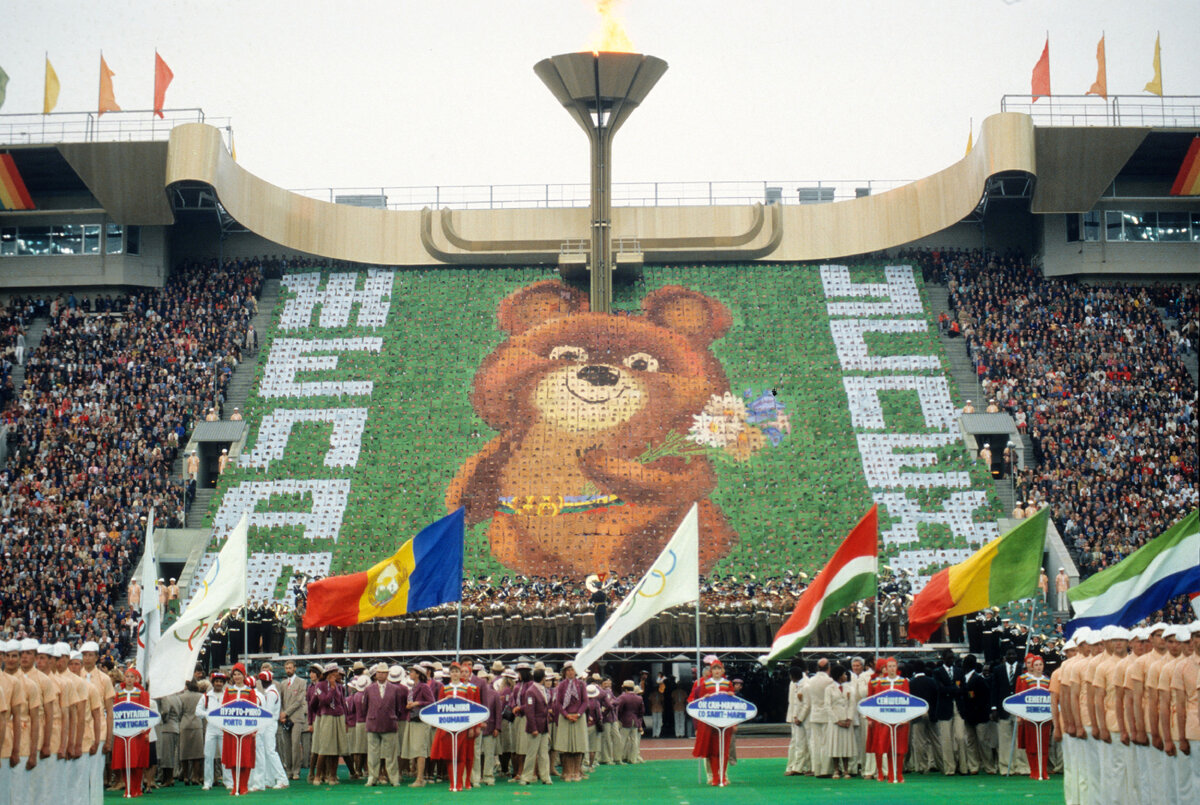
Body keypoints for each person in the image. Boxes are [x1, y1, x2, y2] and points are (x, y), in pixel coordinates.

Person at [689, 658, 736, 786]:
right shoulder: (705, 684)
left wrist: (734, 723)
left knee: (724, 751)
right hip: (709, 723)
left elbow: (734, 705)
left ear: (722, 670)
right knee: (712, 751)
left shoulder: (727, 683)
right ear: (711, 671)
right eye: (714, 668)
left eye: (719, 668)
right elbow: (698, 703)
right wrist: (704, 698)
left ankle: (723, 776)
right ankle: (715, 777)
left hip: (725, 722)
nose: (716, 671)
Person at [866, 657, 909, 782]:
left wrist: (905, 718)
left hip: (900, 720)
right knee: (885, 747)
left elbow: (907, 700)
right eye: (889, 666)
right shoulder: (879, 682)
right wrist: (875, 718)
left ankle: (899, 774)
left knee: (900, 748)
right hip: (884, 720)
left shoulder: (903, 681)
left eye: (893, 666)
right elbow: (876, 702)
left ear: (897, 667)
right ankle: (887, 773)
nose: (891, 669)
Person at [362, 663, 404, 787]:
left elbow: (398, 708)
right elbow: (365, 707)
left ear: (387, 674)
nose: (381, 675)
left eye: (384, 672)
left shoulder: (395, 689)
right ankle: (372, 777)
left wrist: (392, 717)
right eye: (379, 672)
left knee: (391, 754)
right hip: (373, 724)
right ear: (375, 675)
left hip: (389, 724)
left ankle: (393, 778)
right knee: (373, 754)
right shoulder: (369, 689)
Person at [220, 663, 259, 795]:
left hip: (246, 730)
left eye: (239, 674)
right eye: (235, 674)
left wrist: (254, 731)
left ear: (244, 675)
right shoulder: (228, 690)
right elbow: (224, 708)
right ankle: (235, 785)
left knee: (245, 757)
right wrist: (224, 726)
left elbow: (254, 711)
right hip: (231, 730)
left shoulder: (250, 691)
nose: (237, 677)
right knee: (233, 758)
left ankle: (244, 786)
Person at [113, 667, 151, 798]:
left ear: (136, 679)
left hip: (137, 733)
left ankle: (136, 788)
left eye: (132, 676)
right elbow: (115, 713)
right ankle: (127, 788)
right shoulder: (119, 695)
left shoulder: (142, 694)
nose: (129, 679)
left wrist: (146, 731)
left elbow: (146, 713)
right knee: (125, 761)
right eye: (127, 676)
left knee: (137, 761)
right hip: (123, 733)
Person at [1015, 653, 1052, 780]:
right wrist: (1020, 716)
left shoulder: (1047, 680)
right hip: (1030, 717)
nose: (1038, 667)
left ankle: (1043, 770)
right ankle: (1034, 770)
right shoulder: (1025, 680)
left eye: (1040, 664)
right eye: (1036, 664)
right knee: (1032, 744)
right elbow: (1019, 698)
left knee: (1044, 744)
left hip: (1045, 717)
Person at [552, 661, 588, 782]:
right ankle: (567, 771)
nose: (570, 672)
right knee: (566, 747)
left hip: (578, 717)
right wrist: (566, 715)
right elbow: (558, 703)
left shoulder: (581, 684)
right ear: (564, 672)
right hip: (565, 717)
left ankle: (576, 771)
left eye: (572, 670)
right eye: (567, 670)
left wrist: (578, 714)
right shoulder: (561, 685)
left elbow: (585, 702)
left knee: (578, 746)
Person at [401, 665, 433, 787]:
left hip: (420, 721)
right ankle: (419, 777)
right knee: (417, 749)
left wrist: (417, 703)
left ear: (418, 674)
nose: (410, 673)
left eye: (412, 672)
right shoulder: (413, 687)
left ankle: (420, 778)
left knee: (420, 750)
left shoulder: (423, 687)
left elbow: (431, 702)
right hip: (414, 719)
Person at [826, 664, 856, 780]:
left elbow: (852, 704)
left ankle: (846, 770)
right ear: (839, 676)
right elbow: (827, 706)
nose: (845, 676)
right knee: (835, 745)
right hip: (835, 721)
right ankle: (836, 769)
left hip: (846, 719)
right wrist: (836, 721)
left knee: (846, 745)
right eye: (843, 674)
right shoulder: (829, 689)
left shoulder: (849, 688)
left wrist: (849, 719)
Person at [784, 664, 810, 776]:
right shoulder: (795, 684)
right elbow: (793, 702)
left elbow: (806, 704)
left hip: (804, 719)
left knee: (802, 743)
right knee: (797, 743)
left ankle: (799, 767)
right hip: (796, 718)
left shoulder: (806, 685)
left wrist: (800, 717)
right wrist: (794, 716)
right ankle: (796, 766)